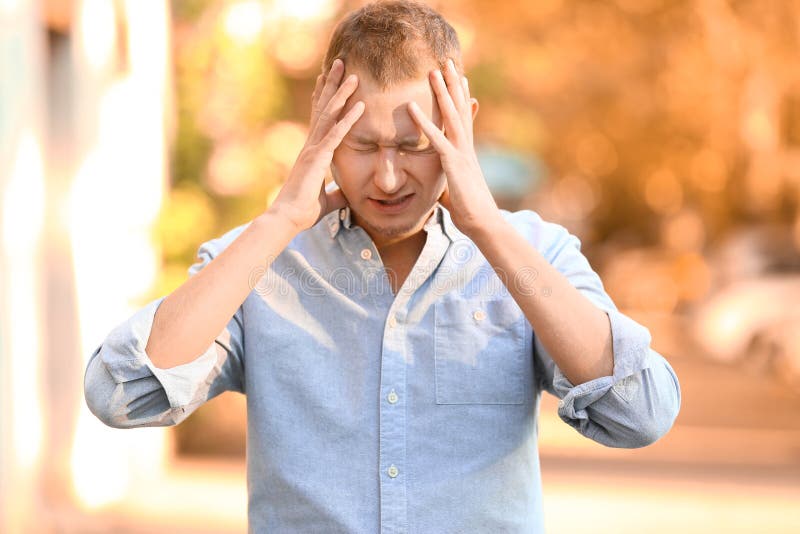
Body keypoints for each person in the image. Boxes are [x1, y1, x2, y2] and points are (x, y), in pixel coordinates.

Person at [83, 1, 681, 532]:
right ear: (322, 125)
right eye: (363, 145)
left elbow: (640, 412)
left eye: (415, 146)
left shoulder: (534, 255)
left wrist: (488, 229)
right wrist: (278, 223)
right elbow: (120, 393)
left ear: (460, 124)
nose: (389, 177)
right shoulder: (259, 262)